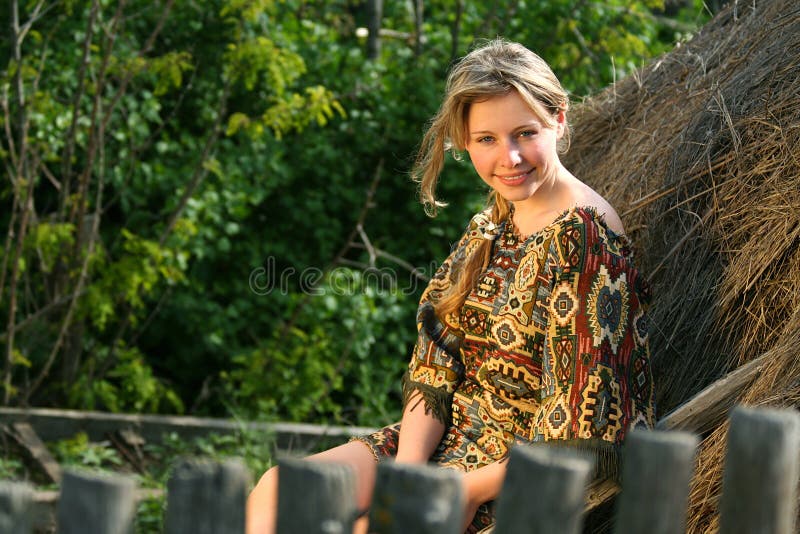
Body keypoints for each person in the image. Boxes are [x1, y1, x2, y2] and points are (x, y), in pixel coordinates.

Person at [246, 38, 655, 534]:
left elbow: (581, 426)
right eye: (485, 139)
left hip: (519, 472)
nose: (509, 157)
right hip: (449, 439)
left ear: (560, 119)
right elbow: (438, 357)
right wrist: (409, 471)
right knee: (278, 492)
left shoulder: (585, 237)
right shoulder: (494, 221)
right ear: (464, 140)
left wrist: (462, 488)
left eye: (524, 133)